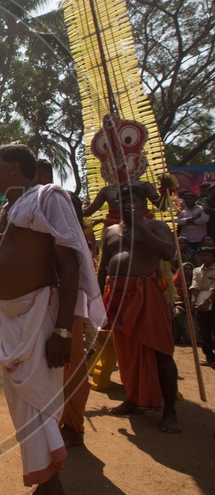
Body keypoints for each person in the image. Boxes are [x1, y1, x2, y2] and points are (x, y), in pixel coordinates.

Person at [0, 144, 104, 494]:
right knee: (23, 406)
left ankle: (51, 486)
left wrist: (64, 331)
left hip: (39, 315)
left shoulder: (50, 197)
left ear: (15, 168)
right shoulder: (9, 206)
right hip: (9, 317)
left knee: (37, 402)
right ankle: (49, 483)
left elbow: (71, 263)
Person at [98, 185, 180, 433]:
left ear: (143, 204)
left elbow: (168, 253)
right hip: (117, 295)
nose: (125, 206)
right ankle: (134, 399)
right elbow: (103, 267)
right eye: (121, 203)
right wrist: (99, 301)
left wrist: (140, 225)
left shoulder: (156, 227)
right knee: (127, 352)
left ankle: (170, 411)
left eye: (132, 201)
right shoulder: (110, 231)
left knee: (160, 351)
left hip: (146, 293)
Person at [33, 159, 93, 448]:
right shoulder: (31, 202)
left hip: (65, 292)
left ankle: (72, 423)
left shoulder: (61, 199)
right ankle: (54, 423)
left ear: (43, 175)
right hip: (43, 294)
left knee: (71, 359)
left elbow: (68, 253)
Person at [189, 246, 215, 368]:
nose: (203, 257)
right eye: (201, 255)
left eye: (206, 254)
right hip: (201, 301)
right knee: (204, 331)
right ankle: (209, 357)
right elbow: (195, 285)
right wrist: (193, 299)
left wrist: (208, 300)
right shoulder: (197, 270)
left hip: (212, 301)